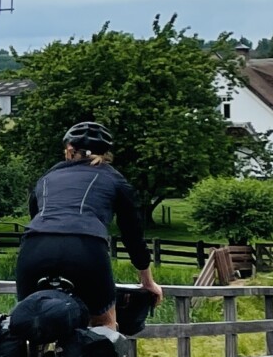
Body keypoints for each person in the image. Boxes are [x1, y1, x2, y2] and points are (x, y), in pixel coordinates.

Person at [17, 120, 164, 332]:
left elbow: (35, 215)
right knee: (104, 322)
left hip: (35, 247)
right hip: (85, 249)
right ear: (105, 153)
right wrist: (147, 282)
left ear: (69, 150)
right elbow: (132, 234)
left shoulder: (48, 177)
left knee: (27, 321)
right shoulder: (114, 179)